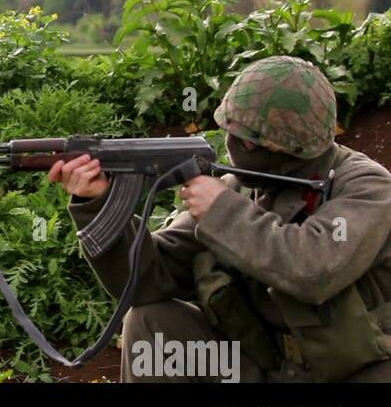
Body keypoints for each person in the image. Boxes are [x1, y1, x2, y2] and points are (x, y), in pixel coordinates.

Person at [49, 56, 391, 382]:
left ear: (284, 148)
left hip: (356, 372)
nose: (232, 145)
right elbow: (148, 278)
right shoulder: (242, 186)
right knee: (151, 320)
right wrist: (99, 203)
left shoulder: (366, 187)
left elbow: (313, 270)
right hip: (268, 366)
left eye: (246, 140)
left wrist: (221, 211)